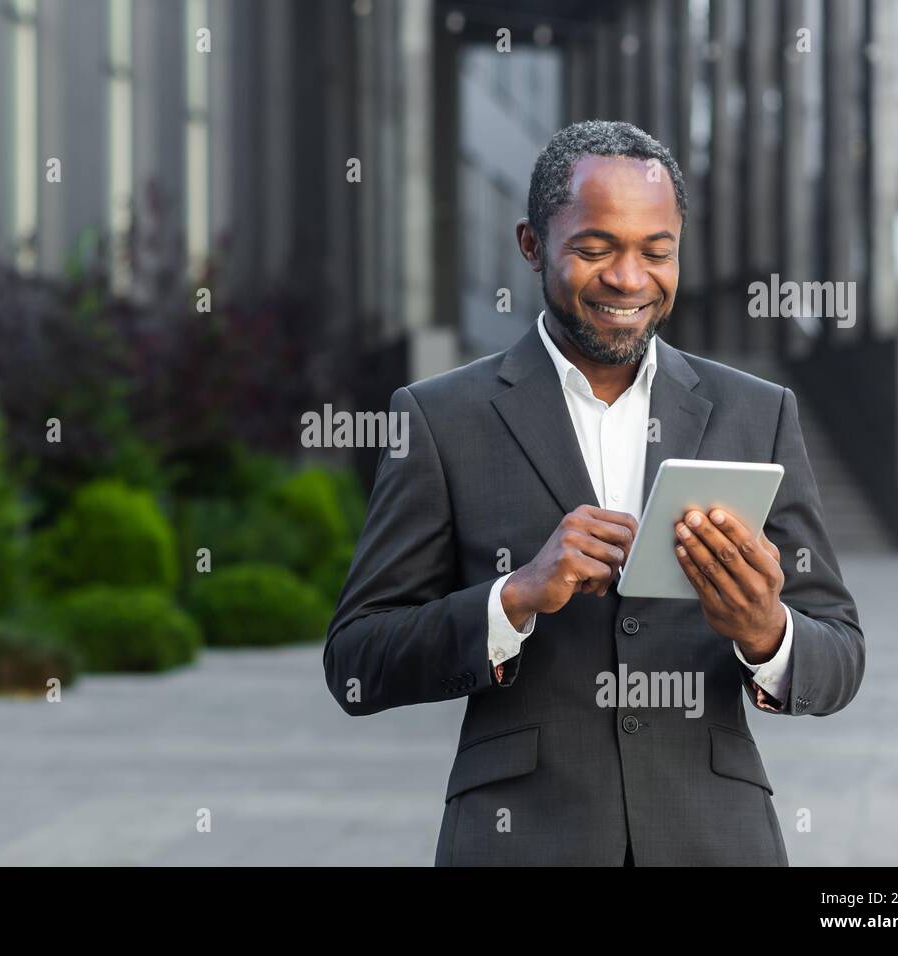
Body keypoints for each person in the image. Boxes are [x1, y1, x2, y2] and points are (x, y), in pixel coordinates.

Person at [323, 120, 865, 866]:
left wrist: (766, 629)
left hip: (714, 837)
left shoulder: (758, 412)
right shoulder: (440, 418)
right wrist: (512, 599)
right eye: (594, 247)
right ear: (531, 244)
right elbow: (356, 662)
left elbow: (840, 653)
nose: (629, 278)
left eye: (656, 250)